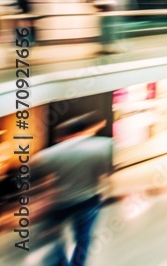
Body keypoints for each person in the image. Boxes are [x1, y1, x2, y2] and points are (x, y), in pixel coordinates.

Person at [34, 114, 112, 266]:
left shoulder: (50, 154)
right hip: (88, 200)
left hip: (59, 203)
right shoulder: (102, 146)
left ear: (63, 135)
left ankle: (61, 262)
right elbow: (105, 174)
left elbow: (38, 174)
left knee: (51, 237)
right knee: (83, 238)